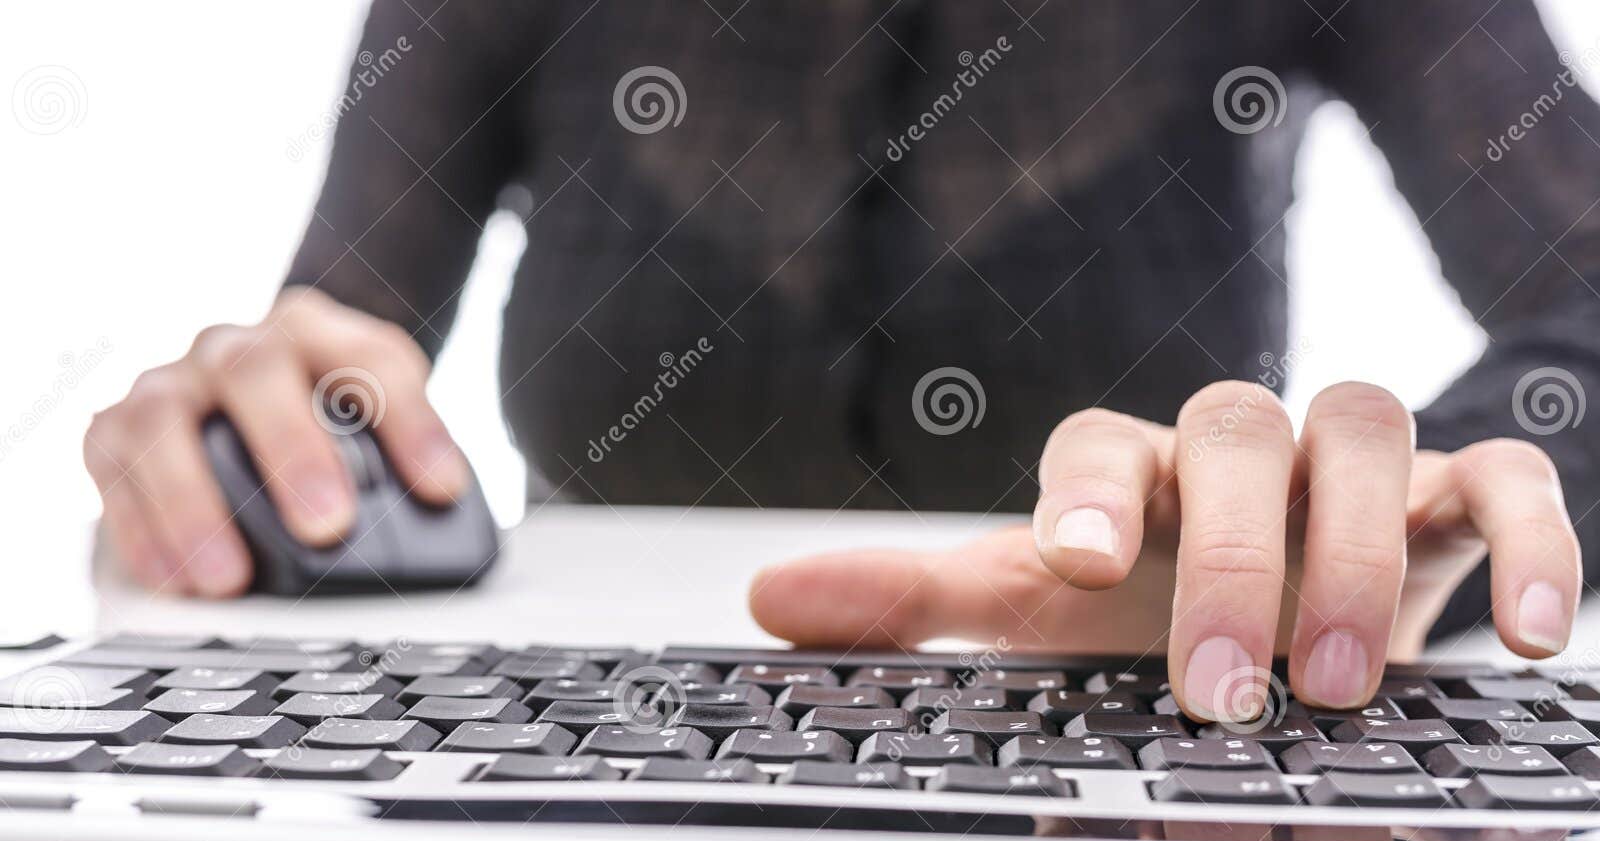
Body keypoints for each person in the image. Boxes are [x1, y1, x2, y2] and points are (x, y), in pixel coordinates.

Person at [84, 1, 1597, 723]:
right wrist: (258, 424)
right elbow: (336, 354)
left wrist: (1378, 521)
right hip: (575, 751)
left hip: (1161, 742)